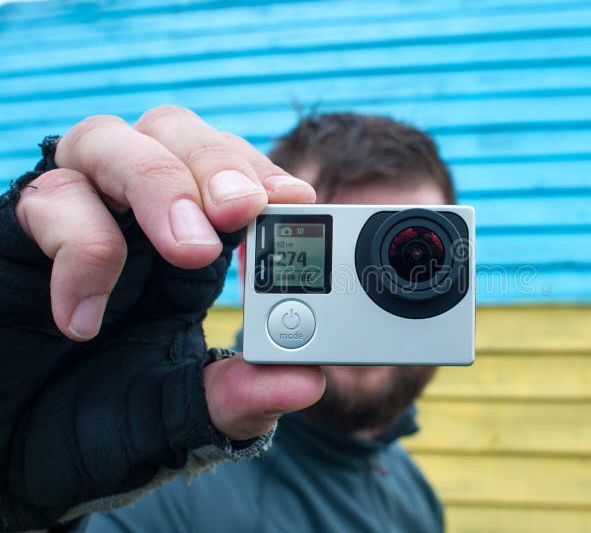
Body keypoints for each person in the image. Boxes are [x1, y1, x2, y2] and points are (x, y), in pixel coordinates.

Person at [0, 108, 453, 532]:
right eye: (327, 257)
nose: (367, 303)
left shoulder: (414, 491)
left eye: (415, 260)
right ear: (253, 265)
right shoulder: (138, 481)